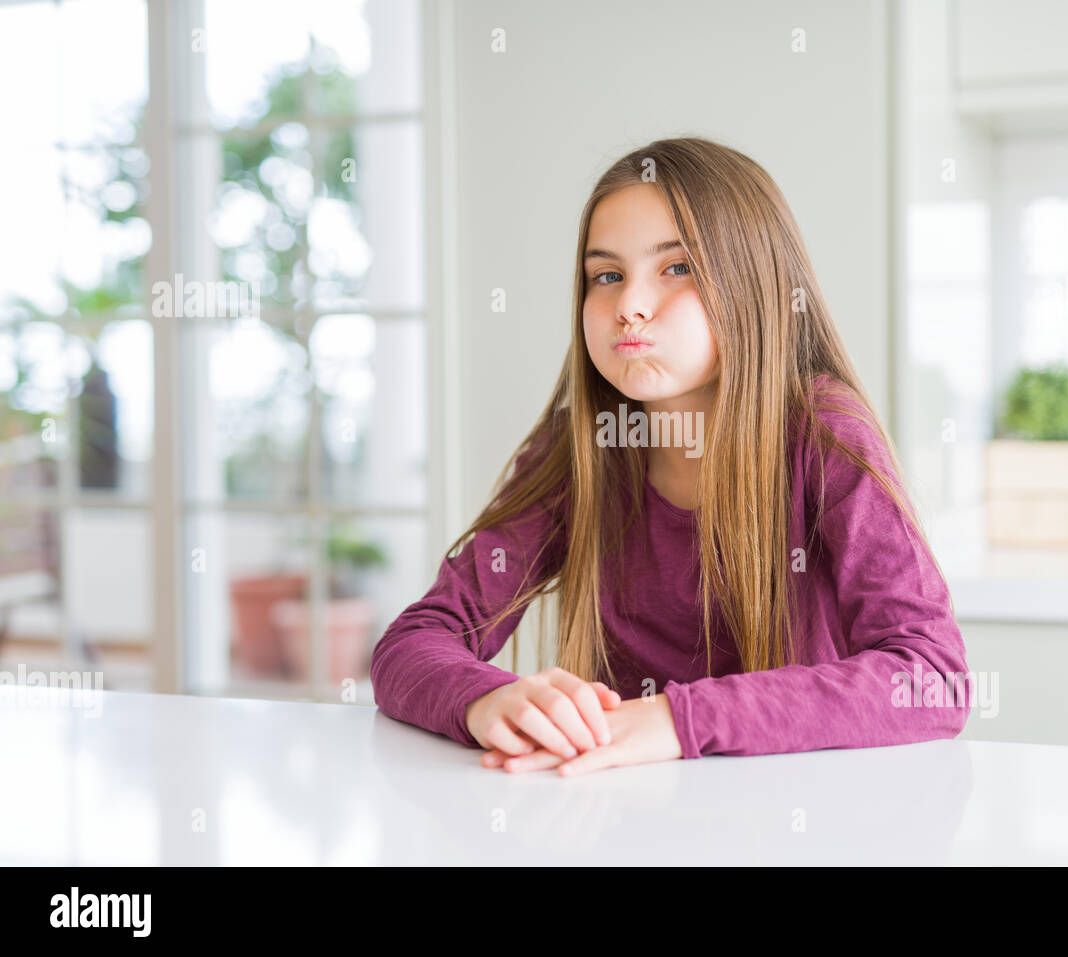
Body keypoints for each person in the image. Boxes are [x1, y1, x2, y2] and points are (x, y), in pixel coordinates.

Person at [371, 136, 971, 777]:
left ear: (753, 282)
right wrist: (487, 698)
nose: (628, 305)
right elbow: (414, 641)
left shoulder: (824, 434)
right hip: (622, 819)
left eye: (675, 268)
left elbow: (932, 676)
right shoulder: (582, 448)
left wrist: (675, 720)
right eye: (606, 276)